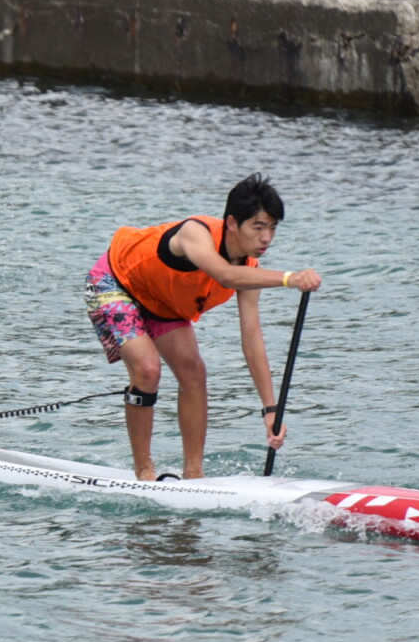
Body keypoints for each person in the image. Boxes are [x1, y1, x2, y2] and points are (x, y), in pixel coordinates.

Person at [83, 175, 323, 483]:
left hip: (164, 304)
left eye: (273, 228)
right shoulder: (195, 233)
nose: (267, 238)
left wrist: (270, 409)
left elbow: (252, 339)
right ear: (233, 223)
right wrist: (290, 278)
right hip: (116, 283)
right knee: (147, 369)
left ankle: (194, 475)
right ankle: (144, 472)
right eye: (258, 227)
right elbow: (224, 274)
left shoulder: (250, 270)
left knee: (194, 372)